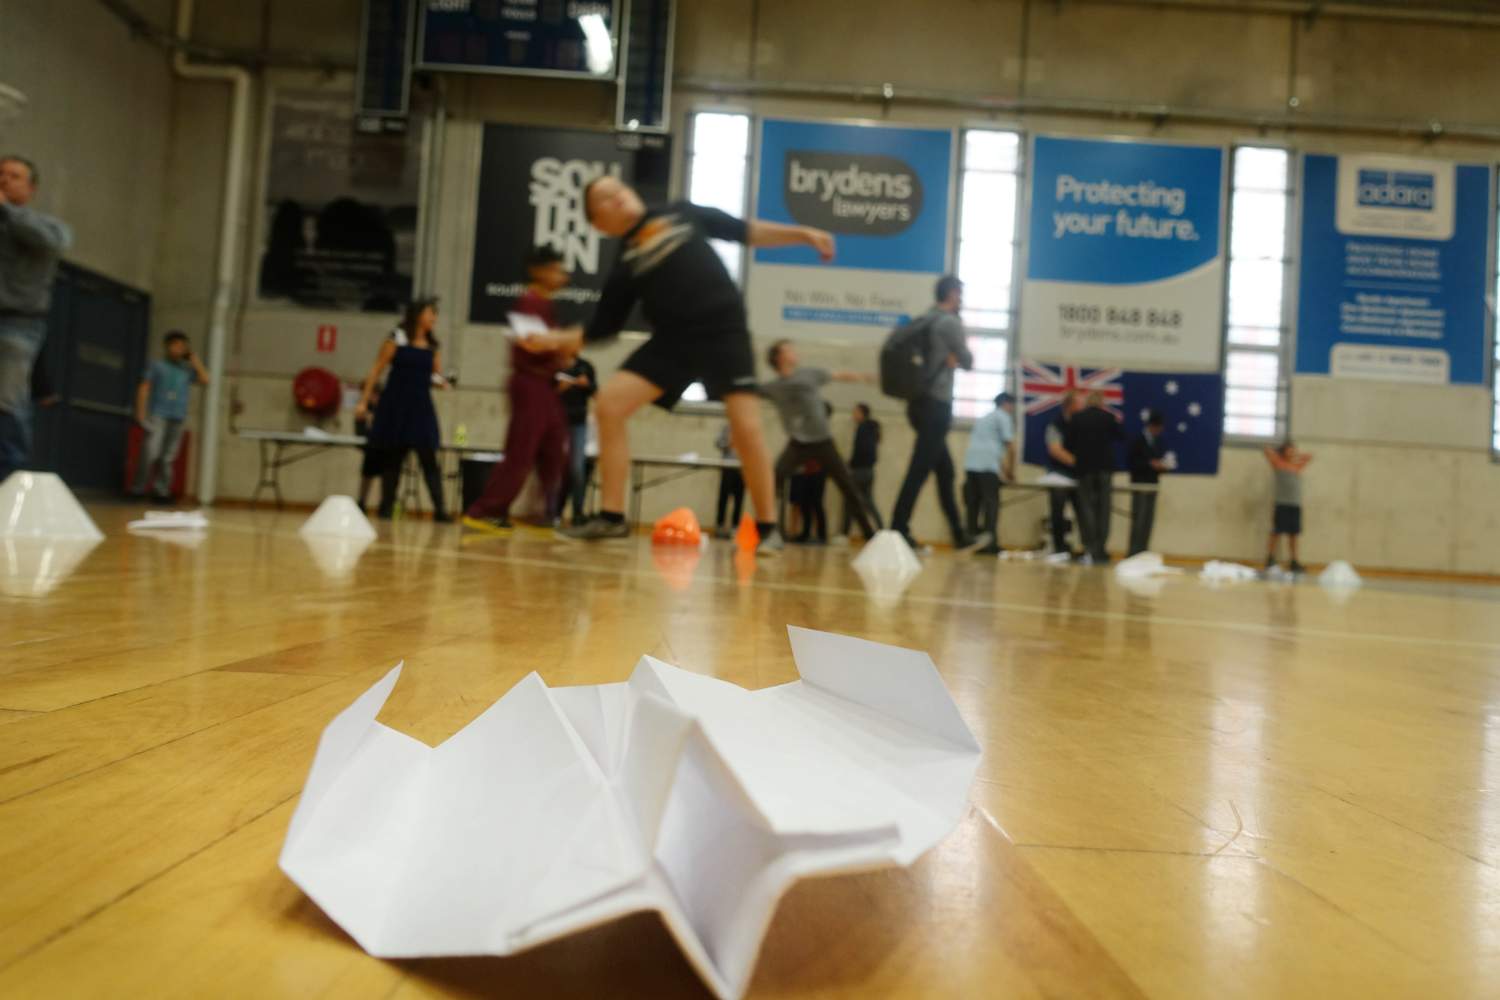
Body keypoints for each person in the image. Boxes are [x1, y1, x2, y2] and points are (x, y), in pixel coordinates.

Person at [522, 176, 836, 553]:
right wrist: (553, 340)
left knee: (746, 427)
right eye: (604, 198)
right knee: (609, 405)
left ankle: (768, 527)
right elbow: (601, 329)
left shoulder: (680, 213)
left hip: (723, 330)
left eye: (619, 189)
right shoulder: (625, 263)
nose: (617, 197)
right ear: (597, 223)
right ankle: (612, 516)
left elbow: (745, 230)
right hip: (673, 341)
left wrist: (804, 234)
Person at [464, 248, 573, 533]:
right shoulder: (529, 301)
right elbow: (531, 343)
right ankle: (485, 511)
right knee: (521, 451)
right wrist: (562, 344)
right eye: (555, 269)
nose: (561, 276)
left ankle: (544, 513)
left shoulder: (546, 304)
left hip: (546, 386)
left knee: (556, 449)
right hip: (529, 383)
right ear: (538, 271)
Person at [758, 339, 879, 541]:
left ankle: (870, 535)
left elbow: (839, 375)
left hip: (823, 442)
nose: (794, 352)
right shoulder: (773, 387)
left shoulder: (809, 374)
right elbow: (747, 392)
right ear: (778, 358)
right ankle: (765, 532)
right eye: (788, 350)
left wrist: (864, 377)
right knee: (774, 480)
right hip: (797, 443)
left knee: (848, 486)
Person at [0, 155, 72, 483]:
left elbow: (54, 244)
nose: (4, 179)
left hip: (17, 323)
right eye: (0, 174)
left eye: (13, 176)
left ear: (30, 188)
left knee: (8, 400)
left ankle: (9, 477)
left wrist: (6, 210)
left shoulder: (46, 227)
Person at [889, 275, 974, 550]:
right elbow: (969, 361)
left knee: (945, 470)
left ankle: (959, 535)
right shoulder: (950, 323)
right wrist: (956, 357)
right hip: (936, 405)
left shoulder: (925, 318)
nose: (961, 299)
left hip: (917, 403)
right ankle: (897, 529)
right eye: (959, 294)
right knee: (920, 469)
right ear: (951, 294)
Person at [355, 298, 451, 521]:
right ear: (418, 314)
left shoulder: (432, 345)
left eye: (435, 314)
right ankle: (386, 506)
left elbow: (435, 376)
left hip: (421, 407)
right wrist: (363, 401)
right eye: (430, 313)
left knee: (429, 458)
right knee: (392, 458)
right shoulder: (397, 338)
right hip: (396, 405)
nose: (434, 318)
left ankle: (440, 510)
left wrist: (443, 383)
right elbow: (376, 370)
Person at [129, 331, 209, 501]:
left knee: (168, 456)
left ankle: (161, 491)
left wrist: (194, 359)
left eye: (183, 346)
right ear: (167, 346)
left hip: (177, 416)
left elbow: (205, 379)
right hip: (158, 414)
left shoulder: (186, 370)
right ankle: (138, 489)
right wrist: (141, 412)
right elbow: (144, 387)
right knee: (150, 452)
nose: (179, 349)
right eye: (176, 345)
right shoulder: (156, 365)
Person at [1068, 390, 1124, 565]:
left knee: (1086, 507)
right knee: (1104, 508)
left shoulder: (1077, 418)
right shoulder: (1108, 417)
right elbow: (1122, 436)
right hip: (1105, 468)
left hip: (1084, 467)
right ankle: (1101, 548)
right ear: (1101, 403)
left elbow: (1068, 442)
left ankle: (1089, 547)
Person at [962, 392, 1016, 556]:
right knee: (991, 505)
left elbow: (990, 447)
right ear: (1006, 404)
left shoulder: (984, 419)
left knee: (973, 505)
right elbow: (1011, 447)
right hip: (987, 467)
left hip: (971, 464)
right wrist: (1011, 472)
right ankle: (989, 544)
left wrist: (1004, 469)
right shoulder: (1003, 417)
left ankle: (971, 540)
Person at [556, 352, 597, 525]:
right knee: (557, 469)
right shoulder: (554, 364)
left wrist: (587, 385)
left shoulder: (585, 366)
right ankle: (553, 512)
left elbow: (595, 390)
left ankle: (577, 513)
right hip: (557, 422)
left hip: (578, 424)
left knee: (577, 469)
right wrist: (559, 388)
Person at [1045, 390, 1085, 556]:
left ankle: (1083, 547)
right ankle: (1059, 547)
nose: (1083, 408)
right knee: (1057, 512)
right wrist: (1078, 462)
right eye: (1079, 404)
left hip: (1078, 476)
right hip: (1059, 474)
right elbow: (1055, 449)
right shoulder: (1056, 424)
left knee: (1083, 511)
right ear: (1070, 406)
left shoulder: (1082, 424)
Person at [1127, 410, 1170, 556]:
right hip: (1140, 484)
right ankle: (1133, 551)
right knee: (1138, 519)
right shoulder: (1138, 440)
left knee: (1148, 520)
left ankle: (1143, 551)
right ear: (1152, 426)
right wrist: (1149, 464)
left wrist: (1162, 466)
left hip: (1153, 484)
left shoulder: (1159, 442)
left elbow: (1160, 460)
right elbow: (1132, 462)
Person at [1265, 441, 1312, 573]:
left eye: (1293, 450)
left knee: (1293, 534)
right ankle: (1270, 557)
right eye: (1289, 450)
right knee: (1276, 532)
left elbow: (1309, 456)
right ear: (1283, 451)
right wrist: (1281, 453)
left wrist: (1295, 455)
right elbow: (1267, 450)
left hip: (1295, 505)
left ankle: (1294, 561)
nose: (1292, 452)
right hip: (1281, 504)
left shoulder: (1297, 466)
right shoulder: (1278, 463)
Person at [840, 402, 882, 541]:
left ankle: (844, 535)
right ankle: (882, 530)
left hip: (859, 471)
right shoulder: (872, 429)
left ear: (862, 413)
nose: (853, 415)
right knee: (869, 502)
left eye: (856, 412)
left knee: (850, 502)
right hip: (869, 471)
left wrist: (851, 465)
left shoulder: (863, 428)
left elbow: (860, 451)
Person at [712, 422, 744, 539]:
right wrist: (728, 442)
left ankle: (735, 527)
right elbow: (718, 443)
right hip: (728, 465)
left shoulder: (748, 428)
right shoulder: (727, 427)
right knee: (724, 497)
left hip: (741, 467)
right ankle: (719, 526)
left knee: (739, 498)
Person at [354, 384, 382, 513]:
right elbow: (359, 433)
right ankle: (362, 502)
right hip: (371, 447)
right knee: (367, 473)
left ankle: (385, 503)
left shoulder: (385, 407)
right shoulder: (364, 408)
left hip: (385, 447)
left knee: (387, 475)